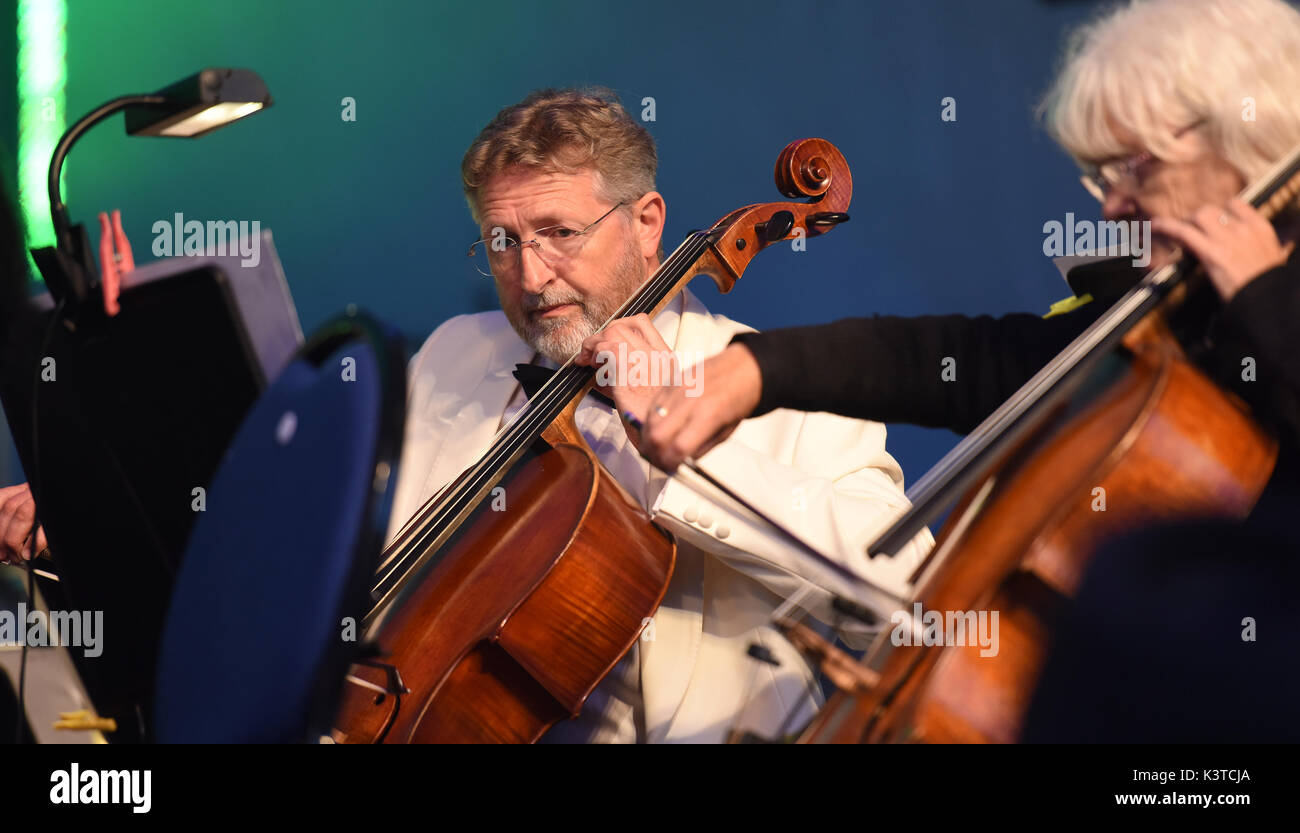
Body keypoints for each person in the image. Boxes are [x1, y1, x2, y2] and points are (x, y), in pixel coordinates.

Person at [632, 0, 1300, 743]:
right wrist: (754, 369)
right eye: (1098, 175)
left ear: (1244, 135)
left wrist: (1268, 304)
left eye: (1134, 167)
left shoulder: (1262, 306)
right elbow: (961, 361)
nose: (1113, 206)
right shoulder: (1162, 314)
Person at [383, 87, 932, 743]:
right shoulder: (455, 353)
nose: (530, 277)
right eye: (503, 241)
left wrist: (691, 445)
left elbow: (915, 608)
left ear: (646, 222)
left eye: (559, 233)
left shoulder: (791, 392)